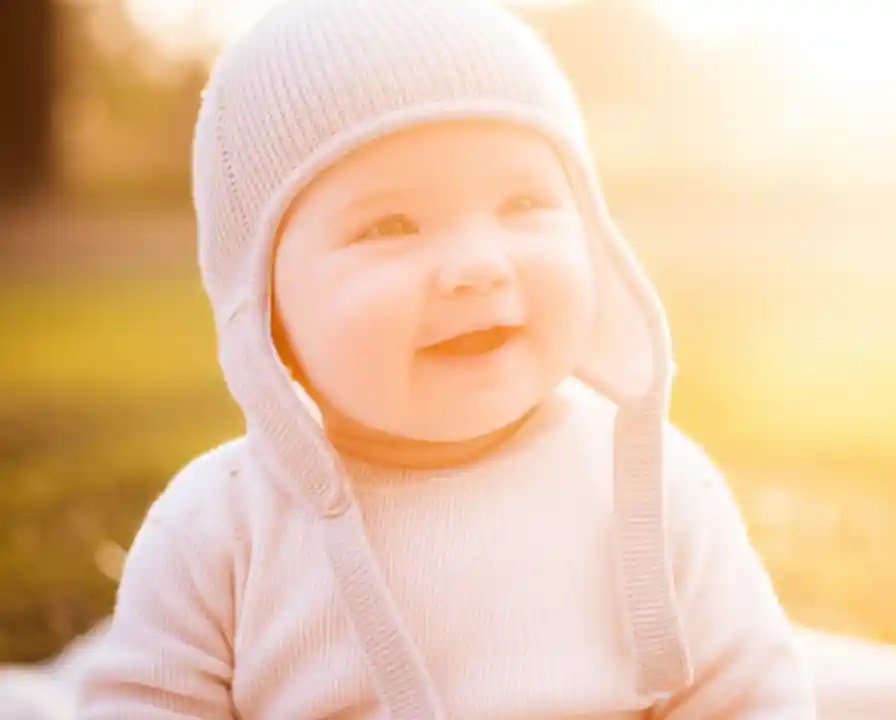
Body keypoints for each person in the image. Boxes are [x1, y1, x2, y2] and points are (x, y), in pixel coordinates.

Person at [75, 0, 815, 717]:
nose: (478, 265)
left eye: (524, 203)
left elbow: (748, 695)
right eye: (392, 224)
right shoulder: (218, 530)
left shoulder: (652, 487)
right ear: (264, 305)